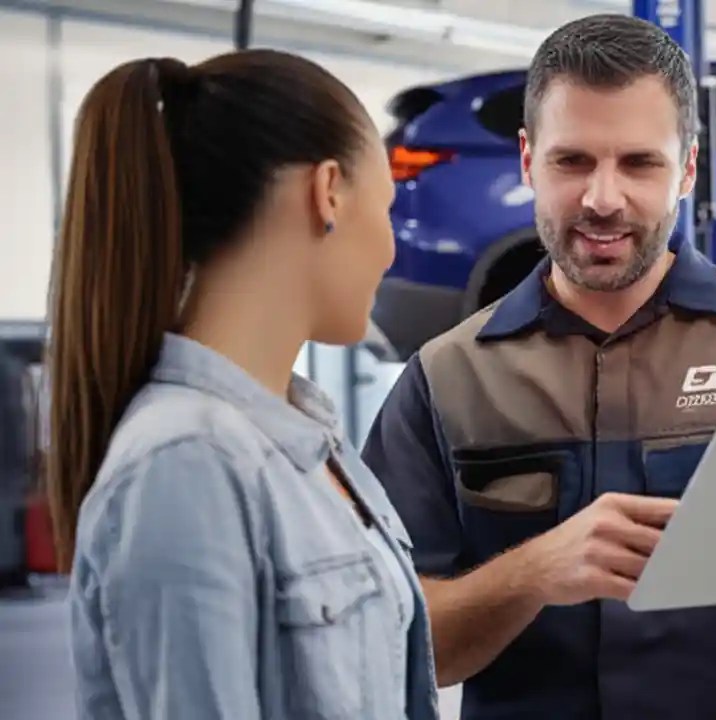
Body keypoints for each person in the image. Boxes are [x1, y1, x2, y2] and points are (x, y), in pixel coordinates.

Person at [362, 13, 716, 720]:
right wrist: (533, 573)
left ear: (686, 167)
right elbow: (398, 639)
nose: (603, 199)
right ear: (529, 162)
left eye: (639, 162)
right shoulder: (446, 379)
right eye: (573, 161)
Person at [44, 49, 439, 720]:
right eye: (389, 207)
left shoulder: (309, 445)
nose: (393, 247)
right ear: (329, 193)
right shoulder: (186, 463)